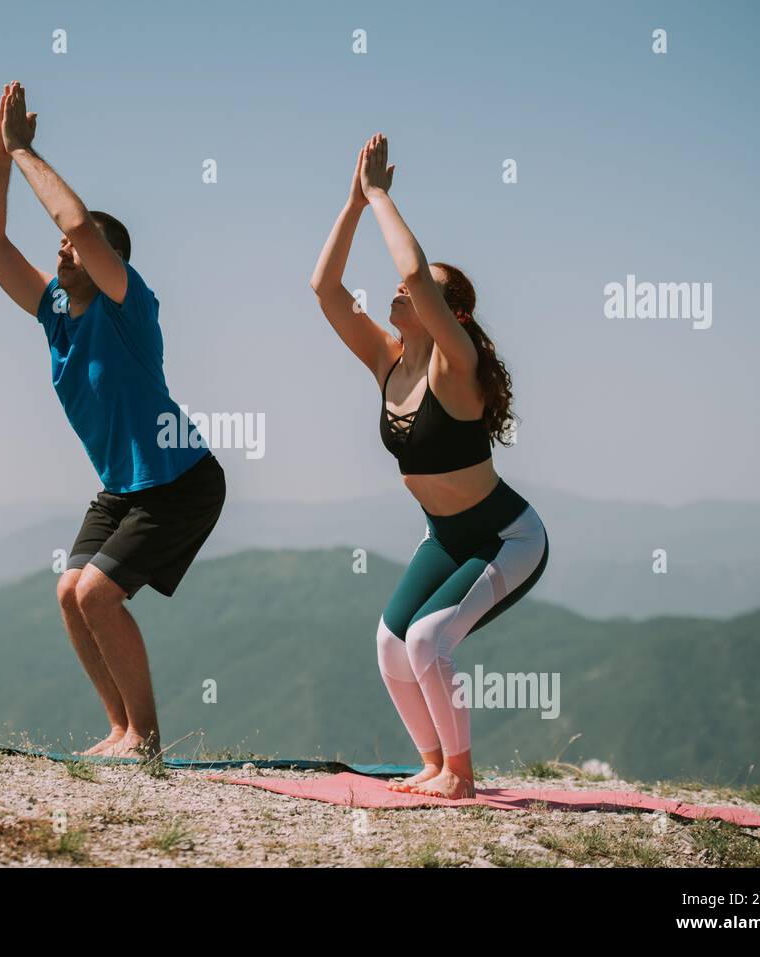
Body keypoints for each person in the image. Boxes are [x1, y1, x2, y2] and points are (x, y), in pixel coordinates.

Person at [0, 81, 225, 759]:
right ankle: (119, 730)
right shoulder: (55, 316)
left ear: (112, 264)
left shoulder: (127, 306)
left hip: (180, 481)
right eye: (58, 247)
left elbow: (80, 224)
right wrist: (0, 156)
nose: (62, 250)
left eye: (75, 247)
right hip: (123, 487)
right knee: (69, 592)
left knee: (98, 595)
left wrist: (27, 150)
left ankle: (146, 742)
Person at [309, 133, 550, 799]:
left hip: (508, 538)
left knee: (427, 640)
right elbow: (324, 288)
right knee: (391, 644)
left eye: (426, 295)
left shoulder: (457, 365)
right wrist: (355, 203)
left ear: (454, 316)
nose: (401, 289)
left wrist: (384, 193)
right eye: (402, 289)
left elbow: (416, 274)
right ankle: (435, 763)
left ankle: (461, 778)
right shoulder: (388, 358)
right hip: (444, 537)